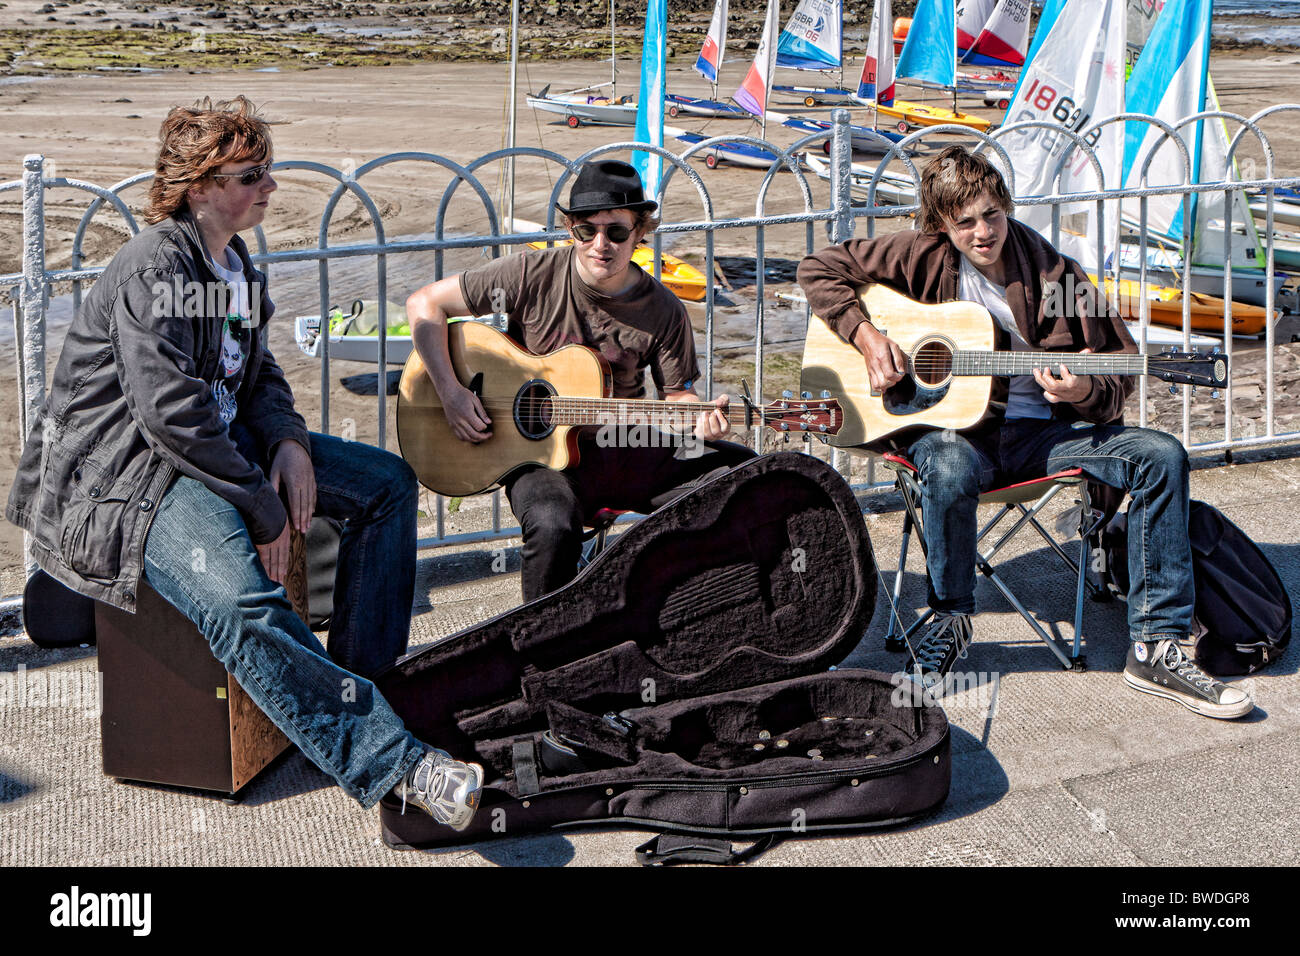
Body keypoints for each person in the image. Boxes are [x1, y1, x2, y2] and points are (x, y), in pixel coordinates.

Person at [6, 97, 483, 829]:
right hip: (135, 475)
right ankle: (395, 763)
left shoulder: (233, 261)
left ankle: (359, 692)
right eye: (251, 174)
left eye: (269, 171)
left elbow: (255, 374)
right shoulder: (153, 267)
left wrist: (289, 441)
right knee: (239, 603)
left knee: (384, 486)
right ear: (199, 186)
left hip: (216, 447)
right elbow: (169, 413)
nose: (270, 187)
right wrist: (263, 504)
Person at [797, 144, 1253, 720]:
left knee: (1160, 453)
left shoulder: (1057, 277)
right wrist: (867, 336)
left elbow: (1117, 366)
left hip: (1044, 441)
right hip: (955, 438)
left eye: (991, 214)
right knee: (950, 461)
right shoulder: (920, 256)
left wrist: (1083, 393)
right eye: (964, 222)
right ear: (942, 224)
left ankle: (1155, 645)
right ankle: (949, 619)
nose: (981, 232)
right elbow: (817, 269)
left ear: (1006, 206)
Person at [406, 159, 755, 602]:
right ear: (571, 229)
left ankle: (691, 603)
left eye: (617, 231)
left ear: (641, 231)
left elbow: (678, 396)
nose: (601, 244)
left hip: (620, 444)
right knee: (553, 523)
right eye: (587, 230)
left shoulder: (664, 310)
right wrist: (451, 393)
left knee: (742, 474)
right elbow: (424, 305)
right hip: (533, 454)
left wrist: (701, 418)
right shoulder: (530, 274)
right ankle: (542, 647)